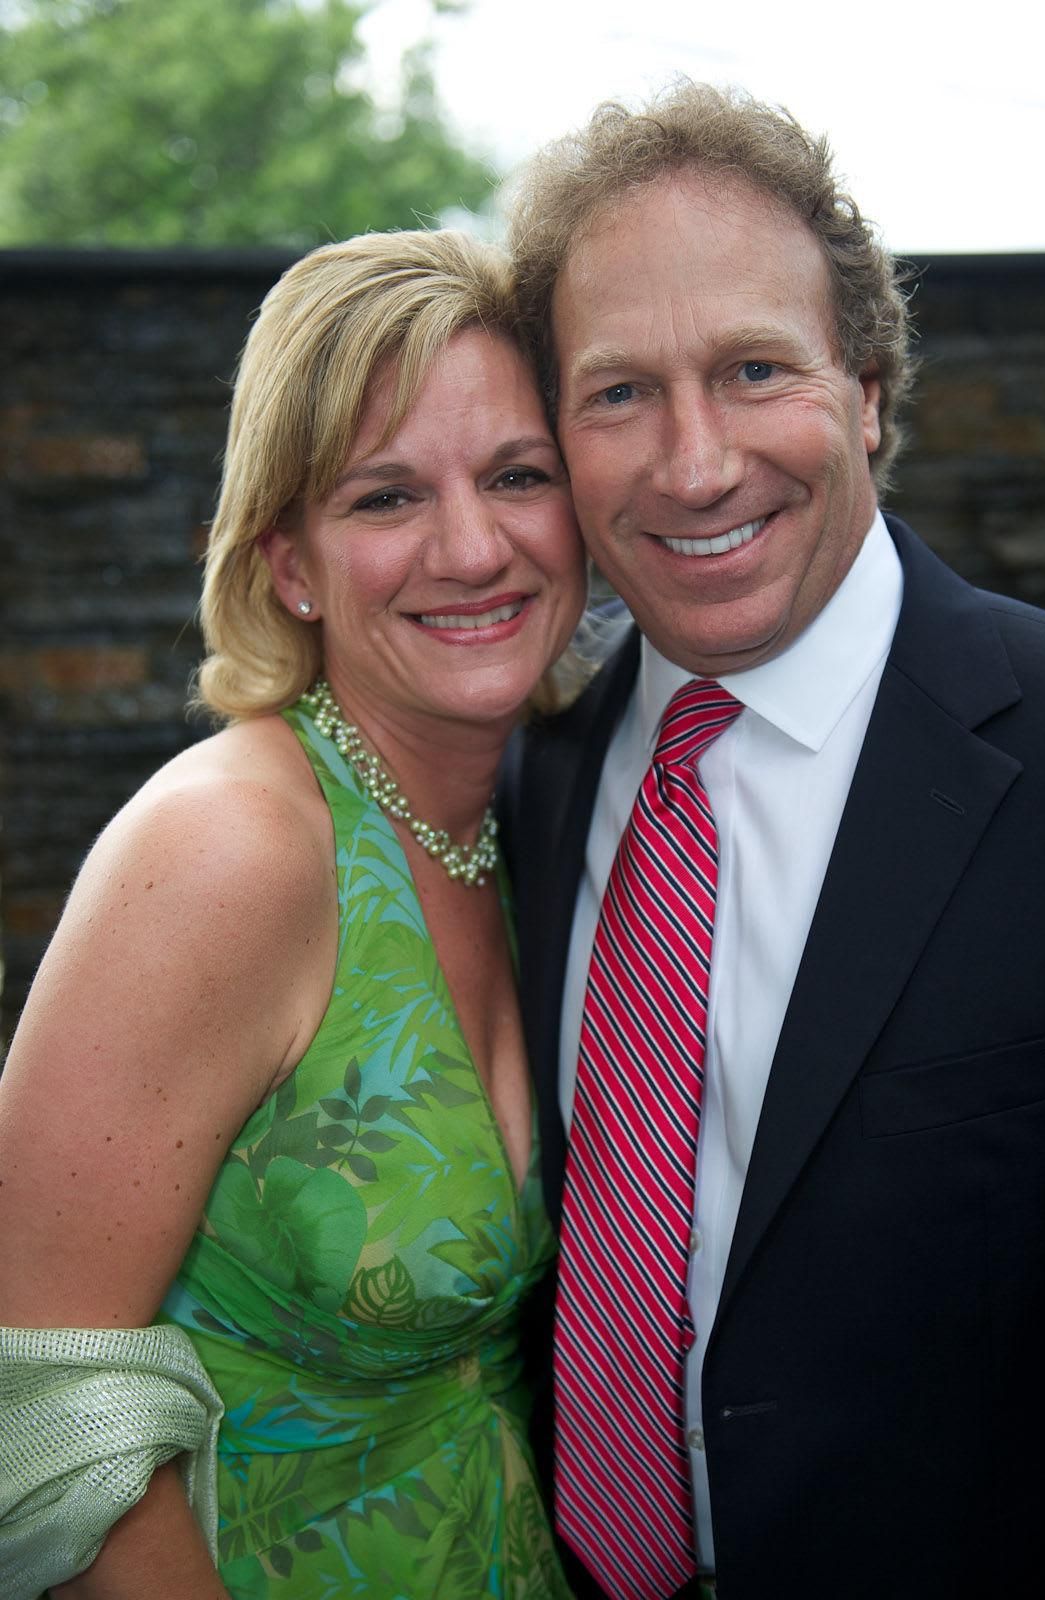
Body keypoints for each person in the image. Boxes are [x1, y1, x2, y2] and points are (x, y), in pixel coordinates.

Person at [502, 83, 1045, 1599]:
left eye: (756, 369)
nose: (695, 465)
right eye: (618, 393)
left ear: (868, 388)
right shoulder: (524, 773)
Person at [0, 229, 586, 1599]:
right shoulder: (233, 850)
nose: (472, 544)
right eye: (386, 497)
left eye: (518, 475)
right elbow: (31, 1391)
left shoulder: (550, 810)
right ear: (289, 561)